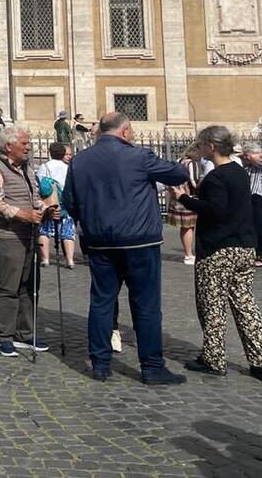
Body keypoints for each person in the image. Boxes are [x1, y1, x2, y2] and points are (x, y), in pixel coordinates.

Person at [64, 111, 189, 384]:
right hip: (139, 241)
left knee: (101, 301)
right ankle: (152, 367)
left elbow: (70, 202)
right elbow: (177, 173)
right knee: (146, 304)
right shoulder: (139, 156)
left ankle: (100, 363)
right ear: (124, 131)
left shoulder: (80, 161)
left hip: (98, 241)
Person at [169, 125, 262, 381]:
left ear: (211, 147)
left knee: (211, 304)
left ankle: (214, 358)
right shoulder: (239, 172)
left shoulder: (216, 177)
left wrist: (184, 198)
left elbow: (215, 210)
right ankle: (261, 361)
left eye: (202, 146)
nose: (200, 150)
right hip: (244, 247)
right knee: (245, 304)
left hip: (218, 248)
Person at [0, 125, 49, 358]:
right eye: (24, 143)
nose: (28, 147)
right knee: (9, 287)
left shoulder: (27, 168)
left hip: (29, 233)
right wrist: (23, 214)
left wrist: (46, 210)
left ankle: (25, 333)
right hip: (7, 235)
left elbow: (34, 197)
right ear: (8, 146)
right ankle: (5, 337)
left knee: (29, 286)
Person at [167, 143, 211, 266]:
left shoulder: (180, 160)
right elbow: (194, 181)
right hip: (188, 197)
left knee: (184, 227)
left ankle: (188, 253)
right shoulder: (191, 163)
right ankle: (189, 254)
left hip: (178, 198)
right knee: (188, 227)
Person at [37, 143, 76, 268]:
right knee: (68, 231)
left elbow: (40, 184)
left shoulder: (45, 166)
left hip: (50, 202)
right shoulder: (68, 167)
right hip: (65, 201)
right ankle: (70, 260)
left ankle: (45, 258)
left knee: (44, 230)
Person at [244, 144, 262, 265]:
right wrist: (245, 154)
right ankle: (260, 253)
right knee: (252, 227)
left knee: (258, 228)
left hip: (258, 199)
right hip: (247, 199)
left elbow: (257, 160)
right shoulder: (245, 166)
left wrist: (254, 155)